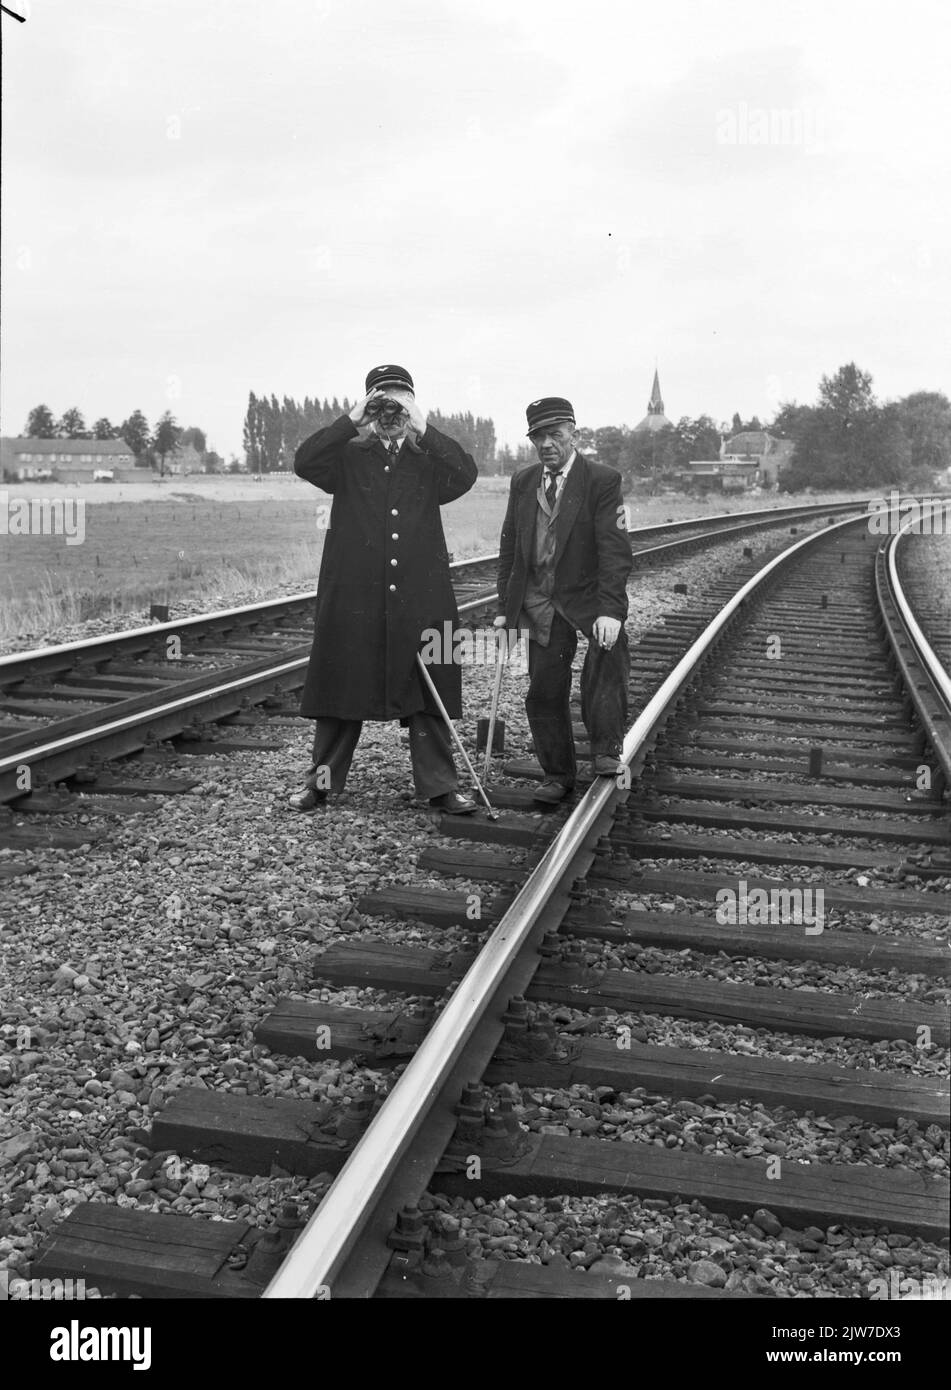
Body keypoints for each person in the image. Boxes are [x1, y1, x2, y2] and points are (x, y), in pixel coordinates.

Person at [289, 364, 478, 814]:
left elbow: (466, 473)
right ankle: (320, 783)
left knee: (427, 692)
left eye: (400, 400)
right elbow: (303, 461)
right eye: (381, 399)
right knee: (339, 691)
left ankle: (439, 786)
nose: (390, 409)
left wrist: (424, 426)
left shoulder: (428, 459)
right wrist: (352, 419)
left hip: (419, 595)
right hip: (355, 597)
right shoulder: (348, 456)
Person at [494, 395, 632, 803]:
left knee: (606, 660)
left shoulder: (602, 480)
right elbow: (510, 550)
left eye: (555, 434)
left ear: (575, 433)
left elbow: (615, 550)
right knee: (544, 689)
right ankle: (557, 775)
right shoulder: (523, 481)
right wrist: (506, 609)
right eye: (538, 435)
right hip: (539, 601)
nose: (546, 443)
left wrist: (610, 611)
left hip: (588, 597)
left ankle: (606, 750)